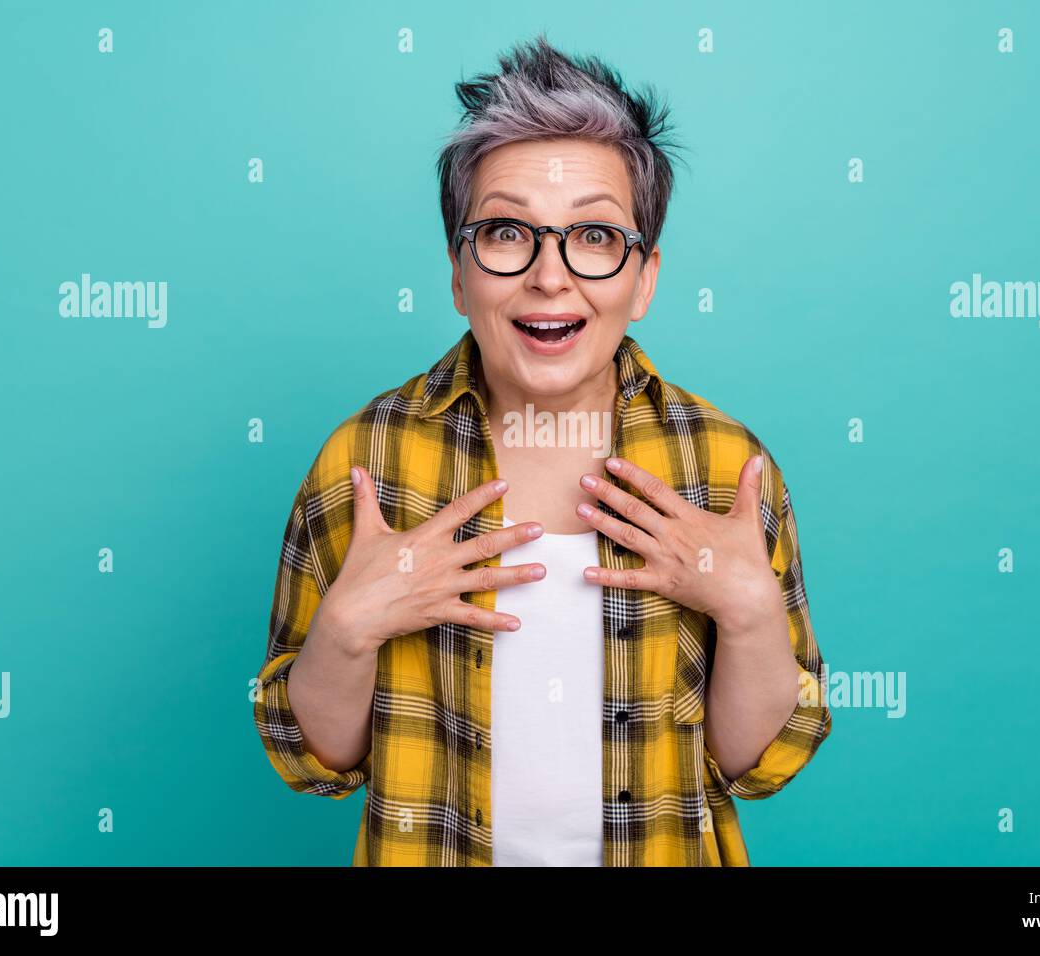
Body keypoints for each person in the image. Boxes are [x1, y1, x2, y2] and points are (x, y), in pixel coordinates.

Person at [253, 32, 831, 866]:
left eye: (594, 237)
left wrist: (748, 616)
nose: (550, 277)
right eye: (505, 232)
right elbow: (315, 759)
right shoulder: (367, 459)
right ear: (459, 273)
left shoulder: (725, 466)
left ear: (645, 280)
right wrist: (344, 632)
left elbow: (755, 765)